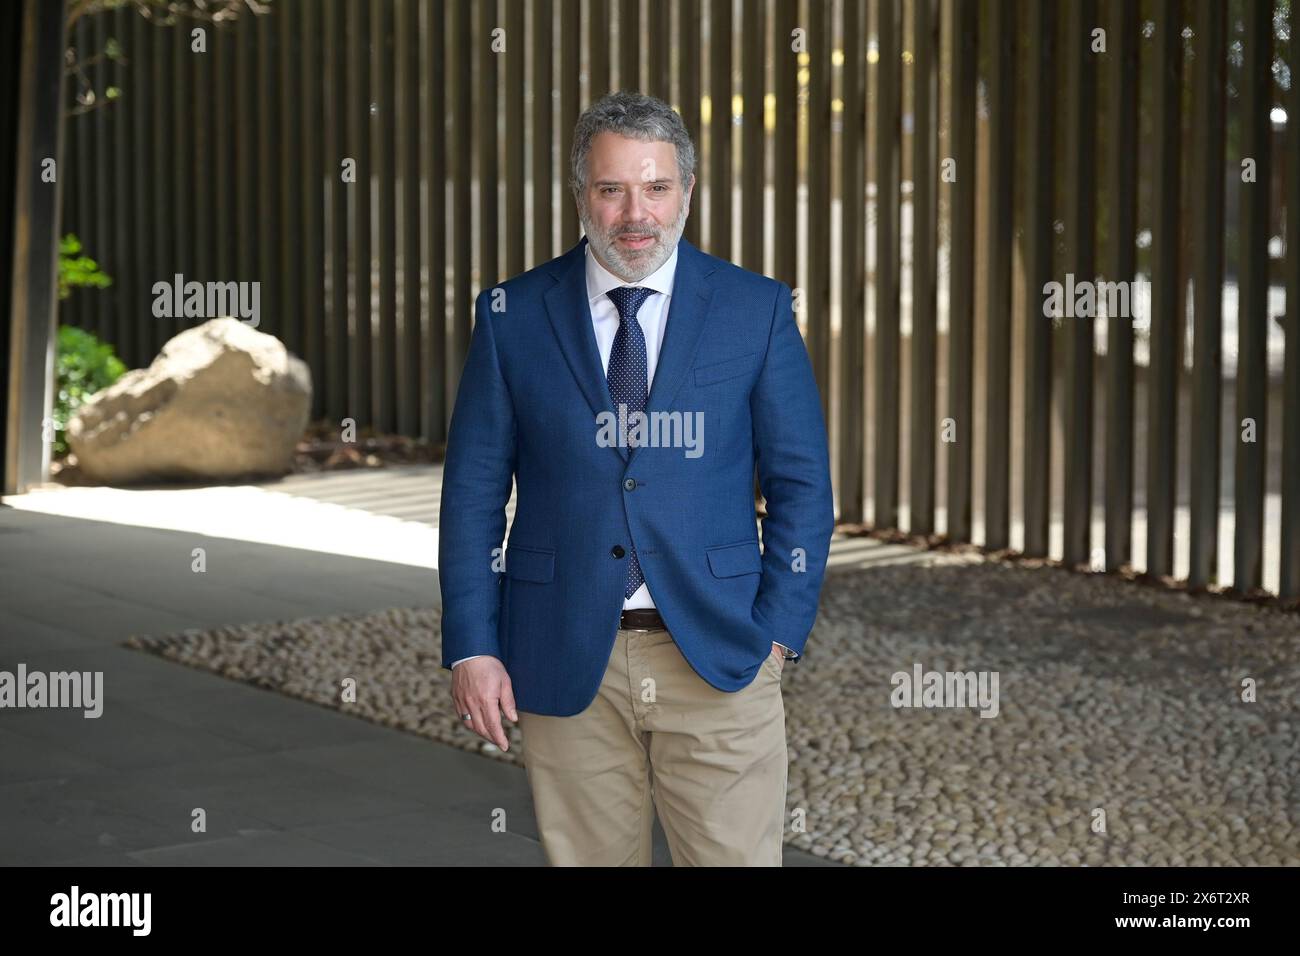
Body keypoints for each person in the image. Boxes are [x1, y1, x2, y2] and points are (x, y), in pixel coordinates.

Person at [438, 90, 834, 866]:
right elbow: (475, 494)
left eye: (655, 187)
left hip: (718, 653)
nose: (635, 213)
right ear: (579, 194)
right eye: (612, 188)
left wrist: (780, 631)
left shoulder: (755, 310)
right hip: (560, 649)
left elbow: (801, 485)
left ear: (687, 190)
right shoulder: (512, 315)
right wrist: (472, 645)